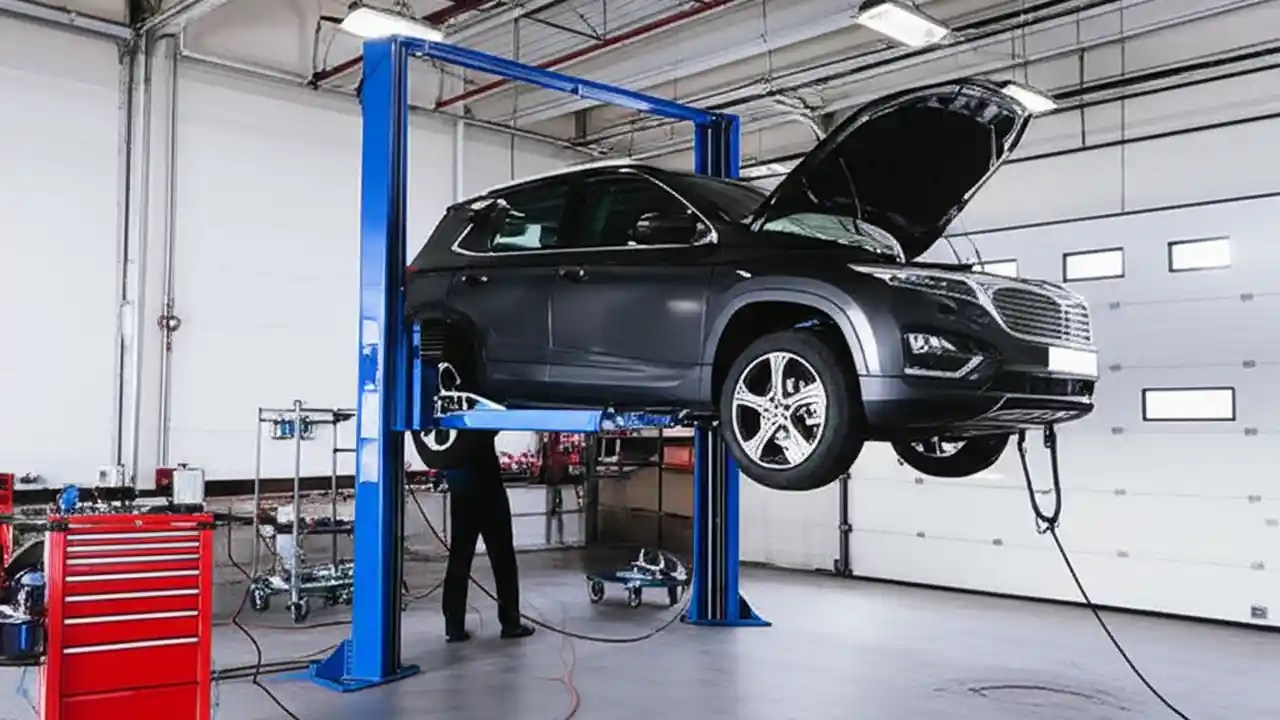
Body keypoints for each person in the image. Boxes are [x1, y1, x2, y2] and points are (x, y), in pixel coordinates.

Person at [414, 430, 535, 643]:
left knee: (459, 560)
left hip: (460, 491)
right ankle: (510, 623)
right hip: (488, 489)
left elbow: (433, 448)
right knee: (503, 559)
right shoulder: (476, 414)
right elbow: (495, 423)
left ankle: (454, 626)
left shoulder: (446, 422)